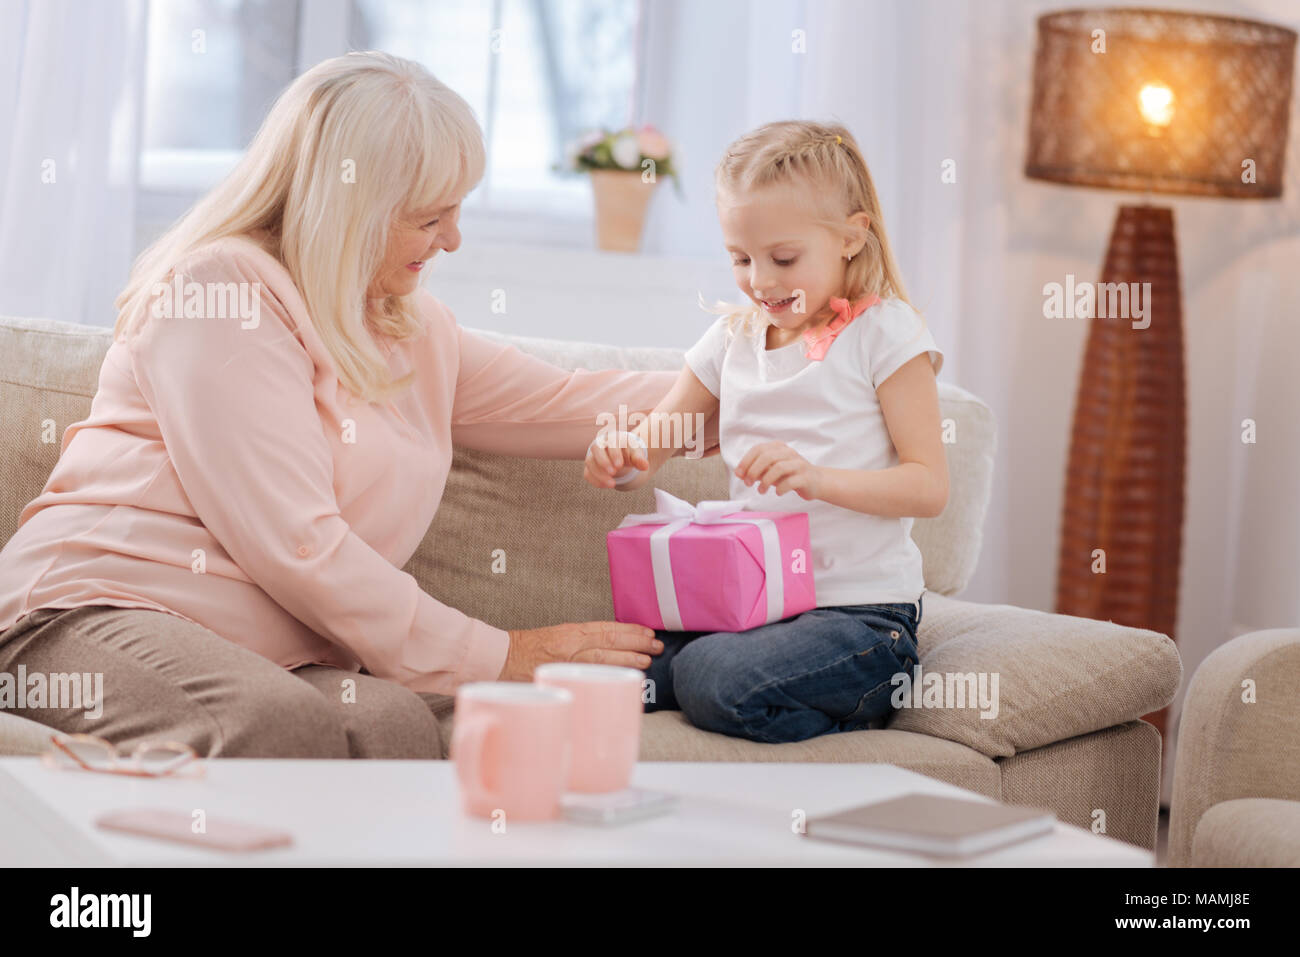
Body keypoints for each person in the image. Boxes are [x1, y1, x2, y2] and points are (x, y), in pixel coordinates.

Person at [0, 52, 698, 760]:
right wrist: (503, 653)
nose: (453, 239)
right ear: (350, 209)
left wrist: (750, 376)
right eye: (431, 216)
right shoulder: (221, 294)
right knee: (277, 724)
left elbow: (571, 403)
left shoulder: (407, 327)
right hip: (82, 617)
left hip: (260, 652)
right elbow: (300, 544)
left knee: (395, 725)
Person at [585, 120, 947, 744]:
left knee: (709, 677)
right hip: (751, 607)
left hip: (858, 618)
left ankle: (863, 696)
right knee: (621, 674)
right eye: (740, 258)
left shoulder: (886, 335)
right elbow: (654, 443)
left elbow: (928, 487)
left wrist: (816, 479)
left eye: (784, 258)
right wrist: (621, 455)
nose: (760, 281)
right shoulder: (734, 339)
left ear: (851, 237)